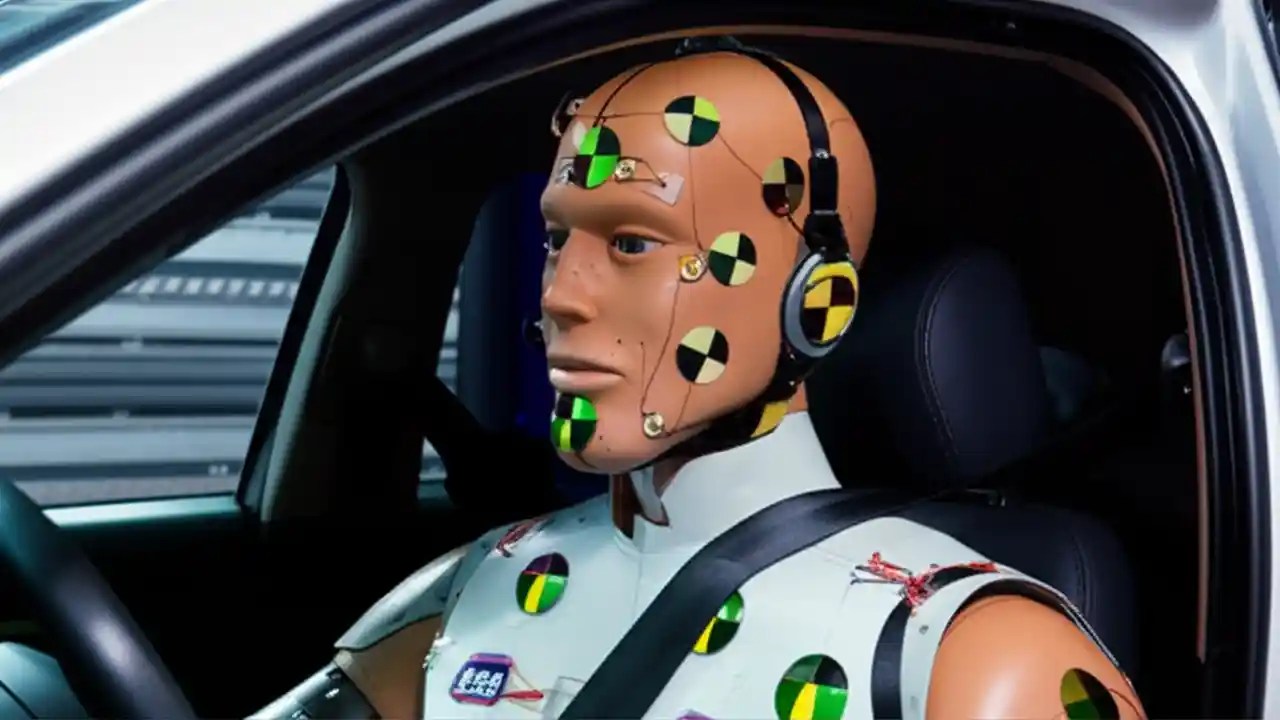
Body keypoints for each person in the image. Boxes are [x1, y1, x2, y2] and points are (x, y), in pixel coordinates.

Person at [313, 40, 1147, 720]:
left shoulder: (969, 655)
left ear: (814, 300)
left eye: (633, 243)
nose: (561, 296)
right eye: (557, 240)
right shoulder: (479, 585)